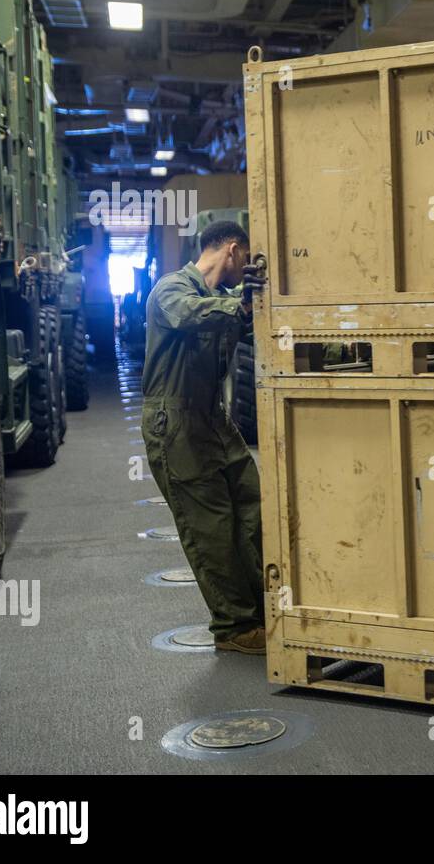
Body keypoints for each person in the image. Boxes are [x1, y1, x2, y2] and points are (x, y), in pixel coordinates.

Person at [141, 220, 268, 655]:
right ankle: (234, 627)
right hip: (174, 422)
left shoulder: (226, 298)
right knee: (210, 528)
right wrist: (241, 306)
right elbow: (189, 314)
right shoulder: (171, 289)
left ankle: (265, 612)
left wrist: (258, 300)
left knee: (253, 505)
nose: (247, 267)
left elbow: (244, 318)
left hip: (213, 419)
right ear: (232, 250)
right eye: (247, 257)